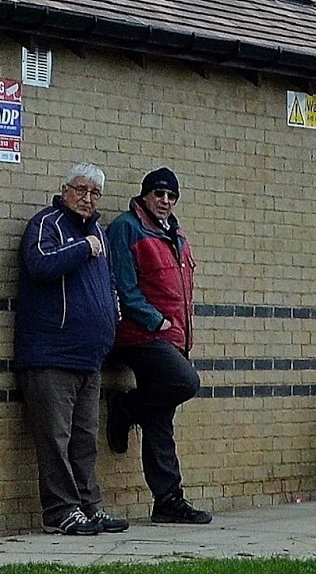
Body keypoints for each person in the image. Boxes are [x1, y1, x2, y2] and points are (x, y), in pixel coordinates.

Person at [13, 162, 128, 536]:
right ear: (65, 190)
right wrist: (83, 247)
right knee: (55, 439)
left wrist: (112, 308)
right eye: (81, 190)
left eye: (95, 193)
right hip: (51, 356)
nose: (87, 198)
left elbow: (107, 280)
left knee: (84, 440)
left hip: (89, 358)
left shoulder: (99, 233)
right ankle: (61, 511)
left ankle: (89, 507)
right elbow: (41, 265)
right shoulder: (47, 224)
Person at [104, 167, 213, 525]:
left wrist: (179, 331)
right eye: (159, 194)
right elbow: (121, 284)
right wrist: (156, 320)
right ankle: (126, 406)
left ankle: (167, 500)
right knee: (185, 383)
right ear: (145, 195)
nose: (165, 201)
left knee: (160, 419)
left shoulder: (176, 235)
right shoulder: (126, 228)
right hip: (142, 336)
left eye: (171, 196)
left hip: (174, 338)